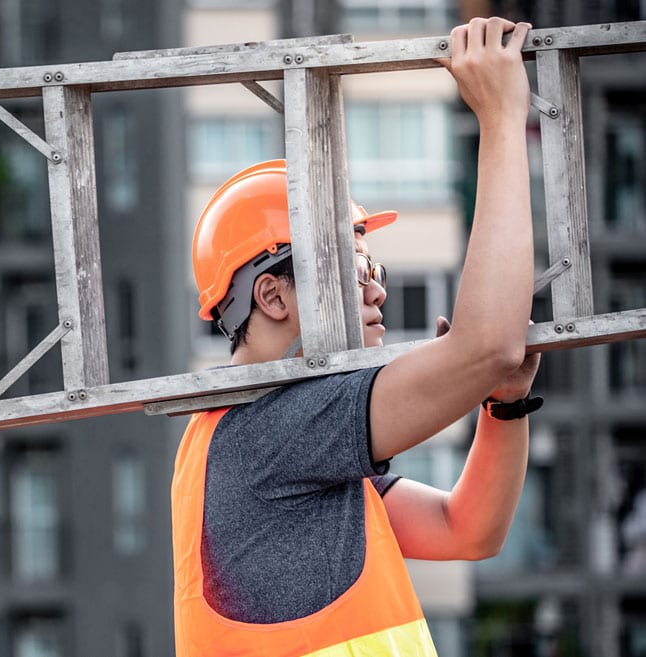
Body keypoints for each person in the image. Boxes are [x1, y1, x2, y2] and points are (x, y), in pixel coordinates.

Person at [172, 17, 543, 655]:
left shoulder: (280, 443)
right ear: (273, 294)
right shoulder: (268, 430)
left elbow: (467, 529)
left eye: (376, 269)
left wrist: (501, 404)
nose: (377, 291)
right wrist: (502, 118)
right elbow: (488, 343)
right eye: (355, 269)